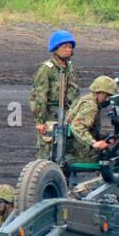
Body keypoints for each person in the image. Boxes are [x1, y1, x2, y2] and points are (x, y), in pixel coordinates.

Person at [30, 30, 79, 159]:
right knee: (47, 151)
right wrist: (40, 121)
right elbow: (39, 96)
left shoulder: (70, 68)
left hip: (69, 116)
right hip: (51, 115)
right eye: (64, 47)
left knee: (67, 153)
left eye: (70, 47)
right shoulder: (46, 69)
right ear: (55, 49)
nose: (68, 50)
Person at [64, 75, 119, 163]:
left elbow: (90, 128)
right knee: (113, 156)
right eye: (106, 95)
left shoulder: (86, 99)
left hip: (72, 146)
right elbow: (77, 127)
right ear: (98, 92)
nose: (108, 99)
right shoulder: (91, 106)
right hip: (76, 152)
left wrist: (104, 138)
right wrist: (94, 143)